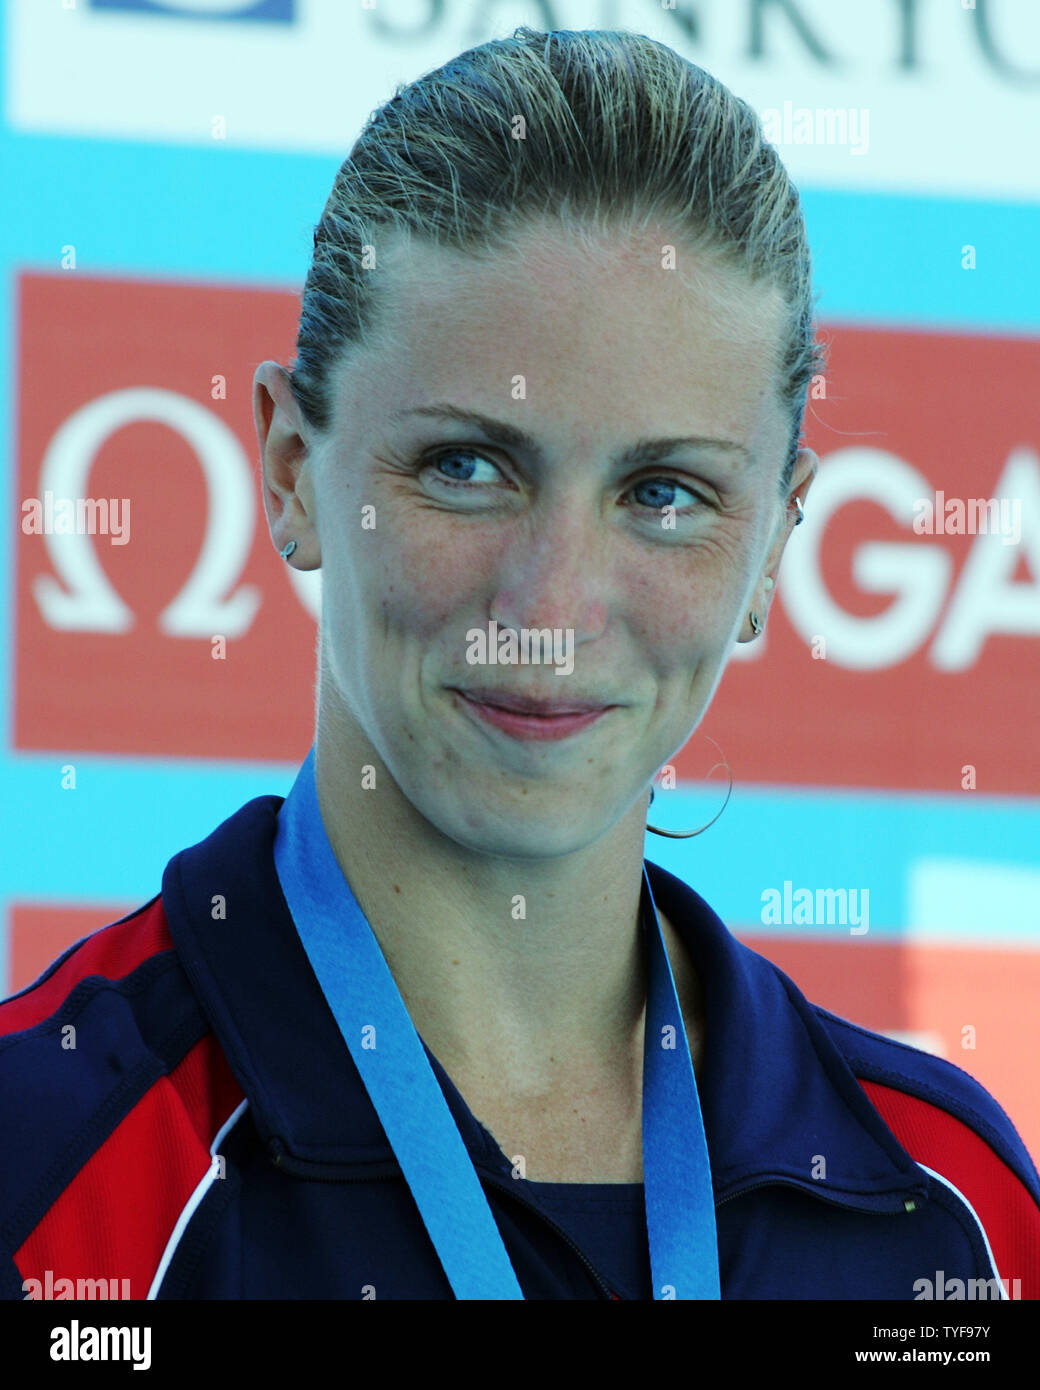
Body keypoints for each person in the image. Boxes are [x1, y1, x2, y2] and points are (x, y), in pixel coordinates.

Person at [3, 27, 1038, 1302]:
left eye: (664, 493)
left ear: (774, 541)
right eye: (465, 467)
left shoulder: (949, 1218)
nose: (549, 607)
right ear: (288, 472)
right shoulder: (43, 1163)